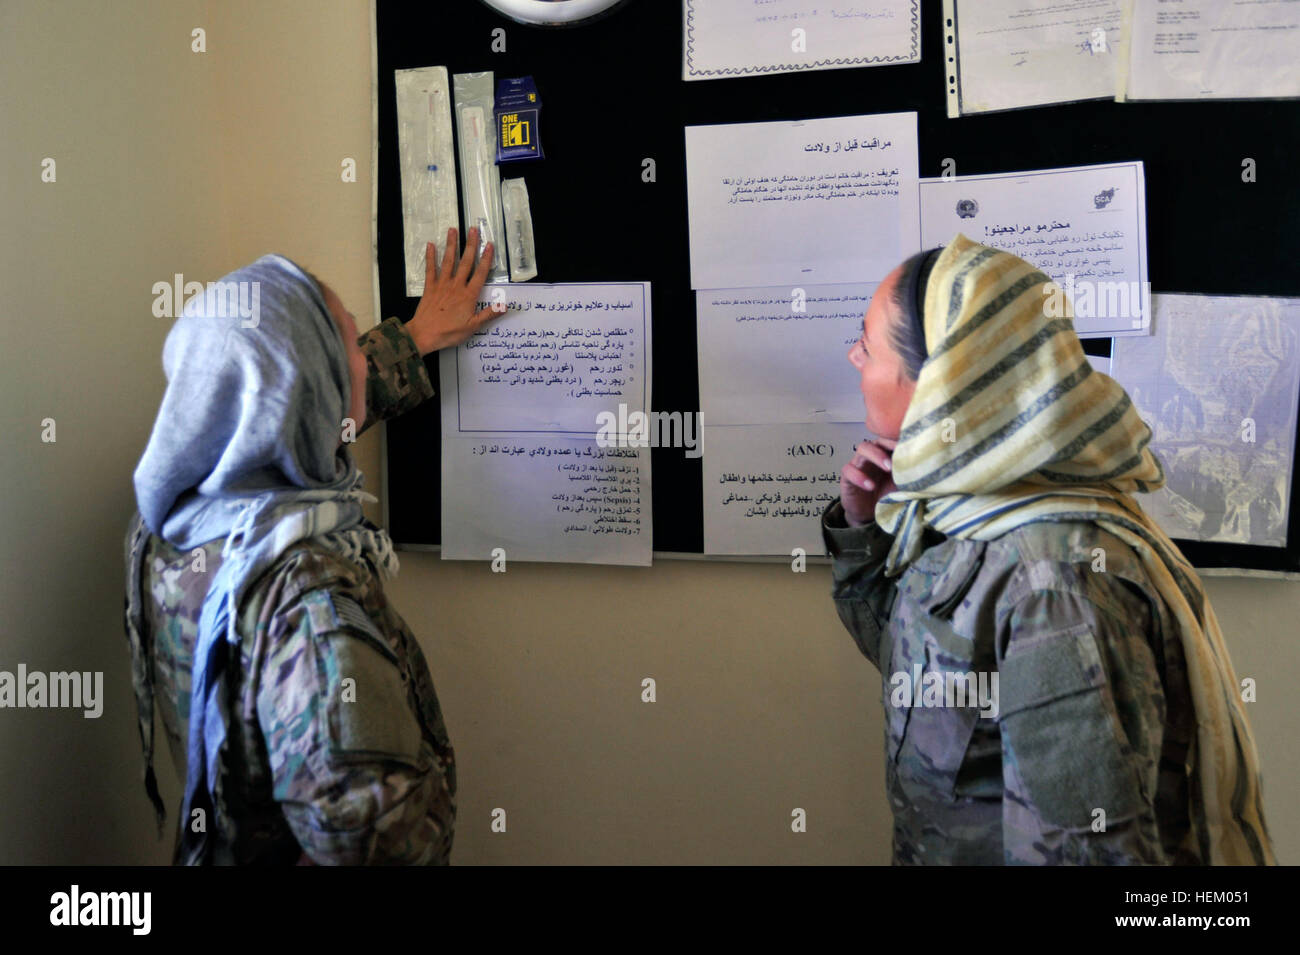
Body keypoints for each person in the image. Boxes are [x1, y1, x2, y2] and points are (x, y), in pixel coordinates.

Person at [822, 232, 1276, 865]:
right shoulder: (968, 511)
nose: (853, 357)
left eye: (867, 346)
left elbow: (1087, 855)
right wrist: (863, 531)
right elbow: (925, 684)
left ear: (941, 380)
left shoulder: (1053, 581)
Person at [123, 227, 503, 865]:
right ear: (312, 383)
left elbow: (284, 411)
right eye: (346, 342)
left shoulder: (173, 518)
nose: (357, 355)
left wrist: (413, 338)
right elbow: (373, 845)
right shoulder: (310, 608)